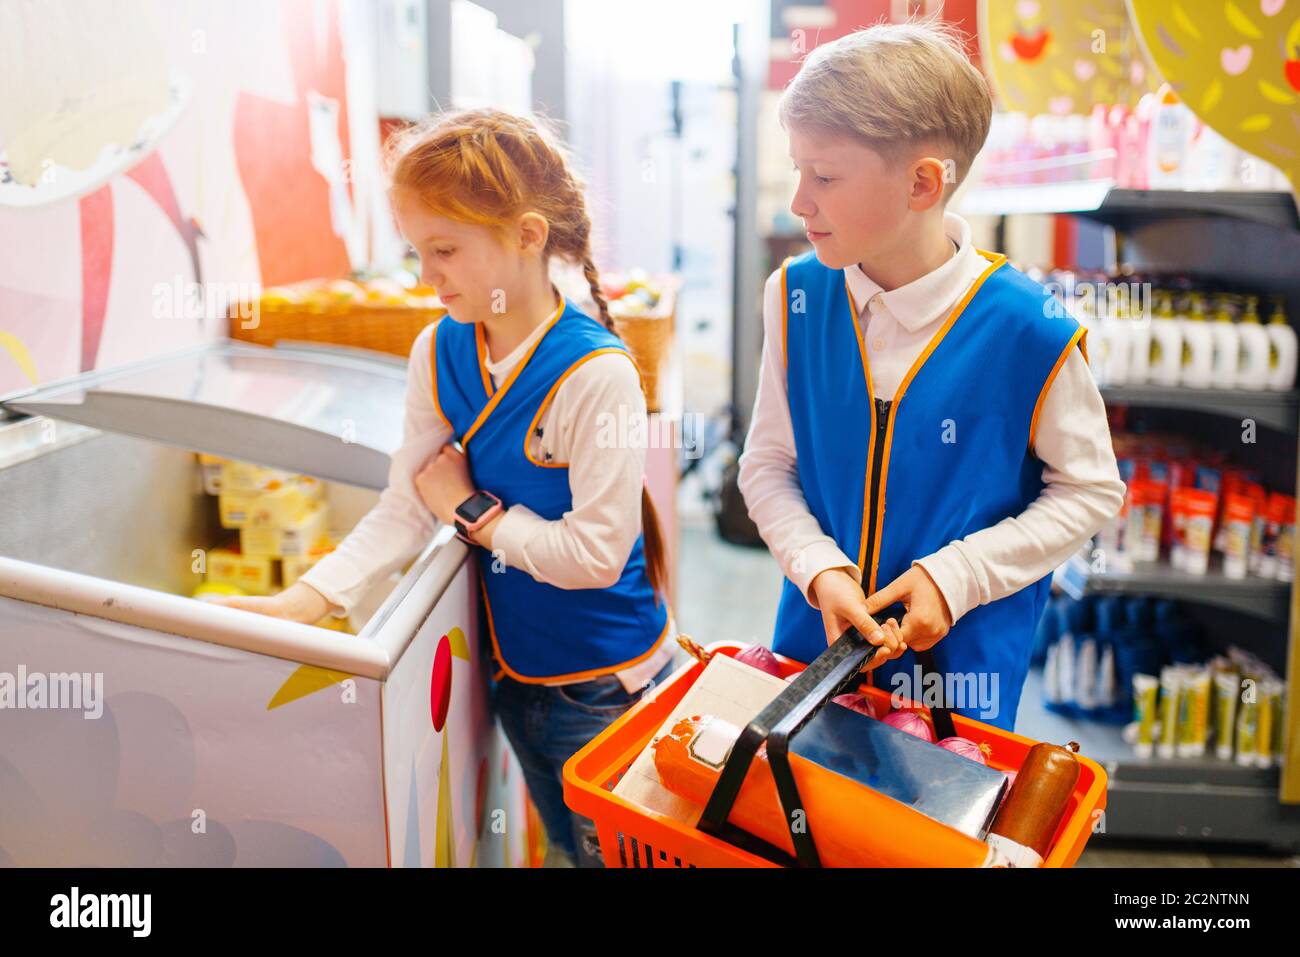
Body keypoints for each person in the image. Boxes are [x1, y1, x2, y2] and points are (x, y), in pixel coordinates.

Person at [214, 108, 676, 866]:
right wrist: (307, 600)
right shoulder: (439, 349)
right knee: (567, 846)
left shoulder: (597, 376)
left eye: (445, 250)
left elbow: (594, 555)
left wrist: (473, 513)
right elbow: (408, 500)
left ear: (529, 236)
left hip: (603, 688)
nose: (425, 277)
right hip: (515, 674)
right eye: (416, 251)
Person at [738, 21, 1126, 731]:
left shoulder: (1028, 329)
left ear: (922, 183)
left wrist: (958, 576)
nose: (800, 201)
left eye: (823, 176)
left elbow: (1091, 488)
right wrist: (819, 568)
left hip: (958, 690)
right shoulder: (794, 297)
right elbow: (767, 465)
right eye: (799, 170)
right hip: (813, 663)